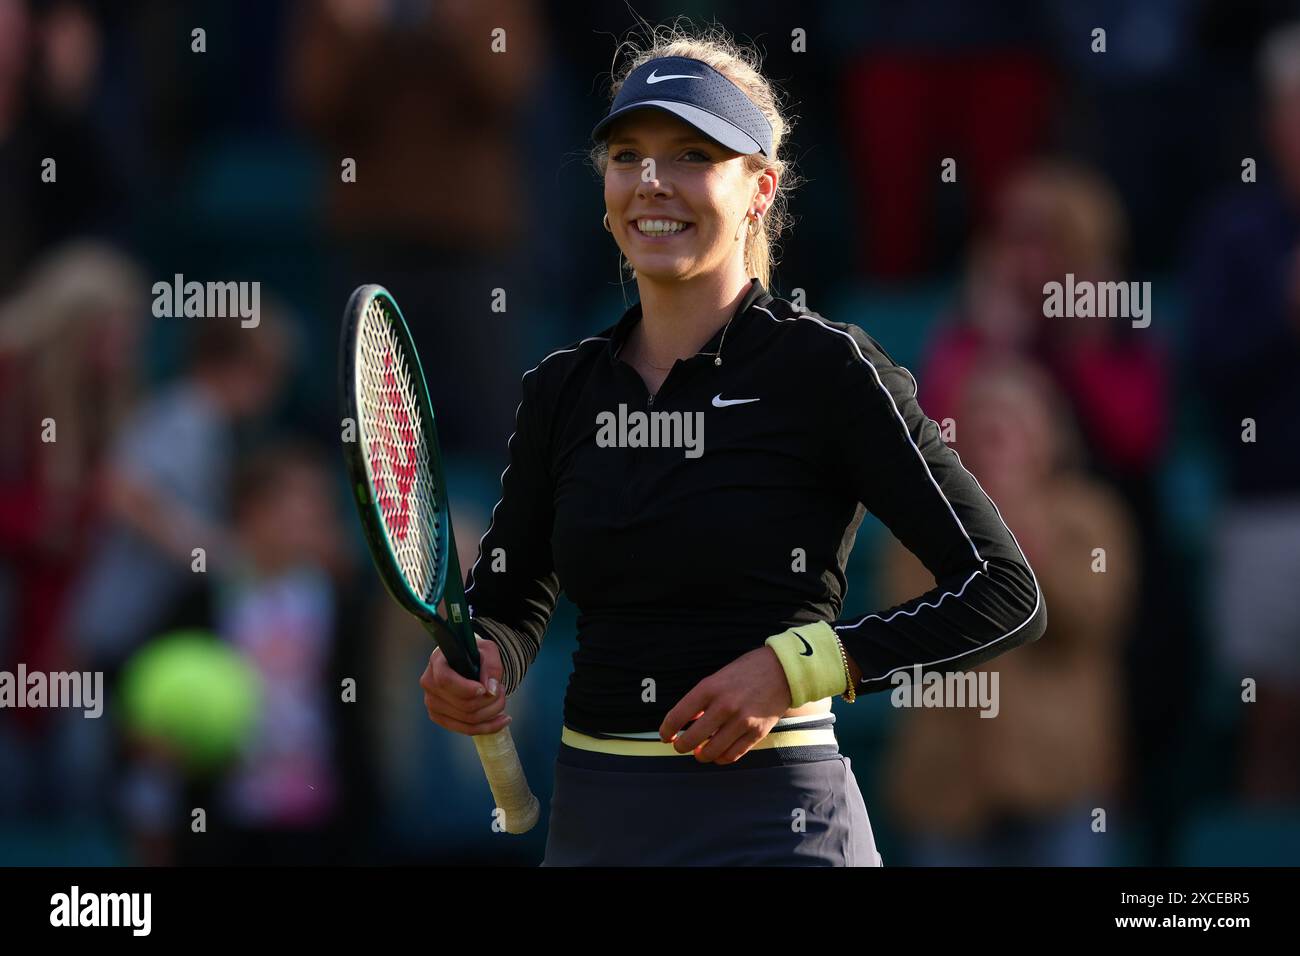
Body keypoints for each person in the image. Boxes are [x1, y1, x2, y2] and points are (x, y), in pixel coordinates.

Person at [418, 24, 1047, 867]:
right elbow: (515, 596)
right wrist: (483, 660)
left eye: (690, 156)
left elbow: (1002, 592)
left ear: (760, 188)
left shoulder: (830, 370)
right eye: (628, 155)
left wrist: (797, 668)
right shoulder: (560, 389)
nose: (651, 182)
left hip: (776, 828)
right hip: (598, 826)